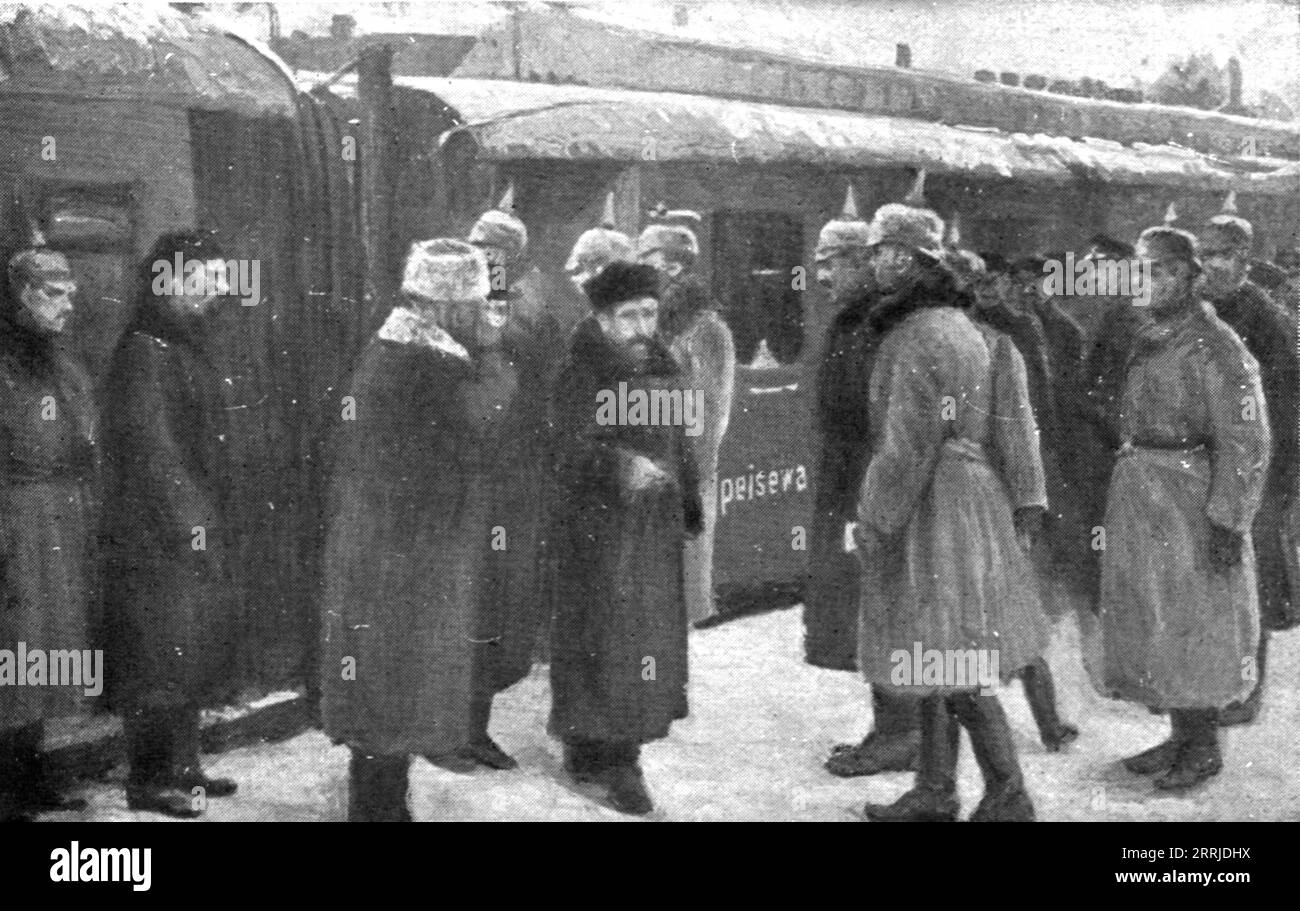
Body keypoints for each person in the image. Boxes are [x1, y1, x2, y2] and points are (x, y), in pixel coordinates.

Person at [856, 197, 1046, 822]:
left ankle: (1008, 794)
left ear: (913, 263)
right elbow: (1017, 431)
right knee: (939, 652)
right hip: (977, 502)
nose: (876, 263)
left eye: (887, 253)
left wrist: (877, 518)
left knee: (949, 658)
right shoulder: (980, 335)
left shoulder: (915, 337)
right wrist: (1026, 504)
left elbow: (905, 446)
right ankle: (936, 791)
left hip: (932, 506)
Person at [321, 239, 515, 820]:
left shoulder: (400, 350)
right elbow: (483, 421)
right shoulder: (426, 364)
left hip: (392, 543)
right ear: (447, 306)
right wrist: (495, 356)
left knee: (392, 682)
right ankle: (378, 811)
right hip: (405, 551)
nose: (484, 314)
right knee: (395, 680)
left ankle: (382, 805)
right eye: (477, 304)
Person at [1101, 226, 1269, 791]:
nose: (1143, 282)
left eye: (1157, 270)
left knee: (1196, 624)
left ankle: (1202, 748)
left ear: (1188, 277)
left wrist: (1229, 518)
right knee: (1155, 619)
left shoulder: (1218, 347)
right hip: (1145, 496)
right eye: (1140, 270)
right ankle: (1178, 734)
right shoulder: (1155, 337)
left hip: (1191, 503)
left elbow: (1247, 441)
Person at [549, 261, 702, 815]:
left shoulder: (665, 361)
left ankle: (612, 748)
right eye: (629, 316)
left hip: (652, 528)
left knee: (643, 639)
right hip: (598, 529)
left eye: (650, 313)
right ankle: (608, 757)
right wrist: (621, 466)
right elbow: (565, 447)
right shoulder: (579, 371)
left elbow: (678, 437)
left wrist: (687, 498)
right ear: (603, 318)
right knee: (605, 638)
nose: (642, 326)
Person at [99, 231, 240, 817]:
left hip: (190, 525)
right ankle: (148, 778)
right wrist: (191, 526)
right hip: (154, 535)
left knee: (187, 651)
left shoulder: (182, 344)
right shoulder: (143, 352)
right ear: (169, 282)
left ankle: (186, 765)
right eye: (207, 281)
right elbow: (155, 455)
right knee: (154, 657)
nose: (218, 293)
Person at [806, 185, 921, 778]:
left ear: (866, 263)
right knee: (863, 610)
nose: (821, 273)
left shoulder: (885, 326)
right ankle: (891, 727)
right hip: (849, 482)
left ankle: (903, 734)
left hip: (877, 486)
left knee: (887, 607)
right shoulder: (853, 320)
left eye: (833, 261)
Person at [464, 189, 563, 770]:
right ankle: (458, 725)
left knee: (496, 601)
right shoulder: (495, 296)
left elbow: (513, 347)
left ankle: (469, 725)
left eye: (491, 250)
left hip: (513, 476)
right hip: (483, 476)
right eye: (476, 248)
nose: (481, 259)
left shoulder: (525, 299)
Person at [0, 240, 96, 821]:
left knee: (45, 651)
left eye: (71, 295)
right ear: (21, 295)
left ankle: (31, 780)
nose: (66, 306)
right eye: (54, 295)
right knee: (13, 651)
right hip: (13, 516)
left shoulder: (61, 359)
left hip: (57, 516)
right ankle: (8, 790)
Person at [1199, 197, 1299, 726]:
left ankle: (1245, 690)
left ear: (1244, 259)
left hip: (1256, 474)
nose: (1212, 264)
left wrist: (1275, 486)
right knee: (1206, 579)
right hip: (1200, 468)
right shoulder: (1197, 311)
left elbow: (1285, 410)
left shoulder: (1268, 321)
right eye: (1206, 253)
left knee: (1249, 582)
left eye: (1224, 254)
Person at [637, 208, 735, 626]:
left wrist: (686, 457)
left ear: (673, 265)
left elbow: (707, 406)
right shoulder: (666, 321)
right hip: (666, 448)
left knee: (690, 535)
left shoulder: (706, 328)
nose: (642, 270)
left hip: (689, 454)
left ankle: (692, 611)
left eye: (649, 261)